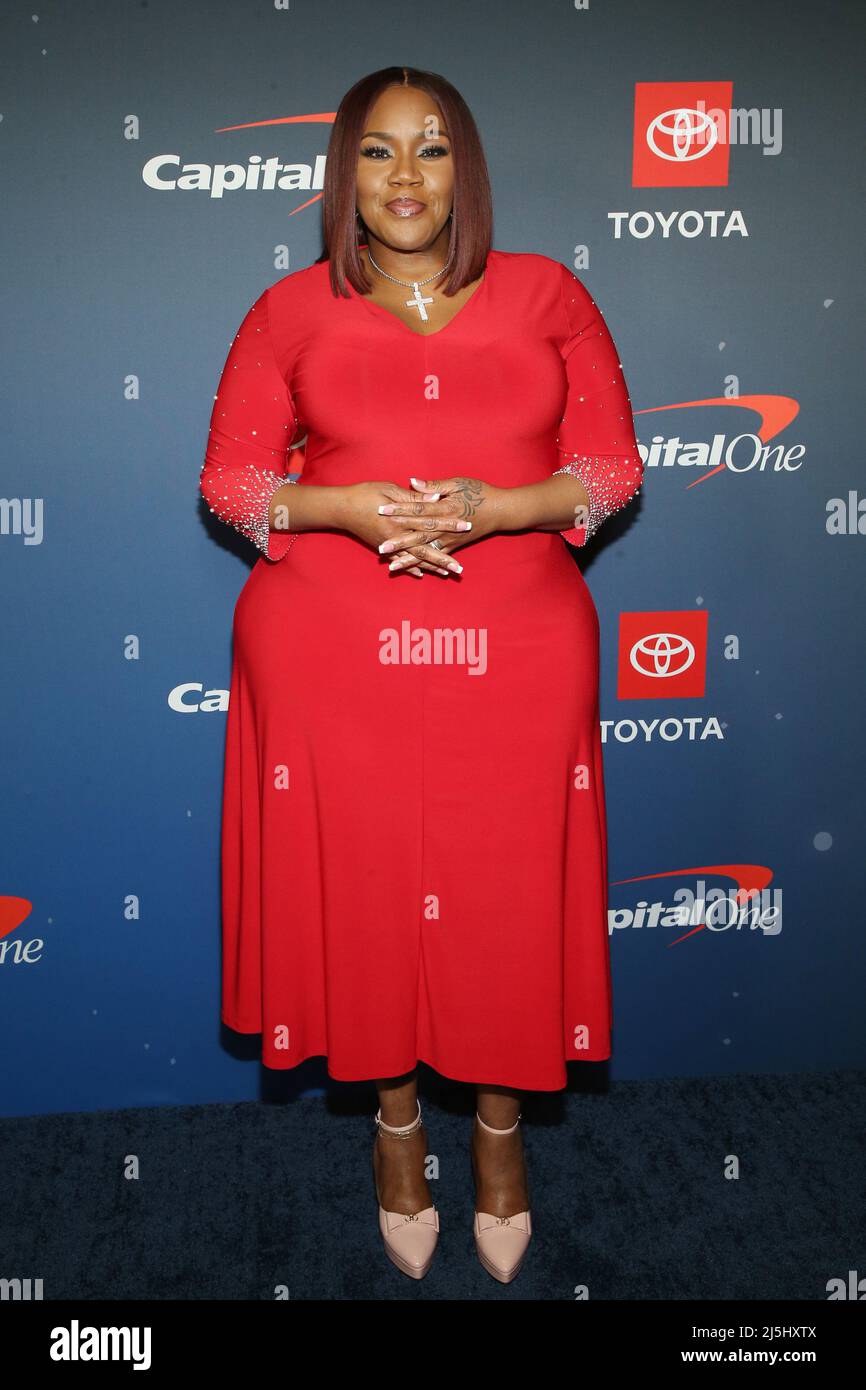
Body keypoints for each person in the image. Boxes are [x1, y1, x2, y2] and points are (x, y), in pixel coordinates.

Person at [199, 66, 643, 1285]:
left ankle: (499, 1135)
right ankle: (397, 1131)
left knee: (503, 891)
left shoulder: (550, 295)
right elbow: (233, 486)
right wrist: (340, 505)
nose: (405, 177)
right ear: (343, 174)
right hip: (330, 645)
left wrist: (496, 509)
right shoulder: (287, 310)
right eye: (378, 152)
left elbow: (608, 472)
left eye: (432, 149)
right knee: (371, 885)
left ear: (467, 171)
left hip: (520, 641)